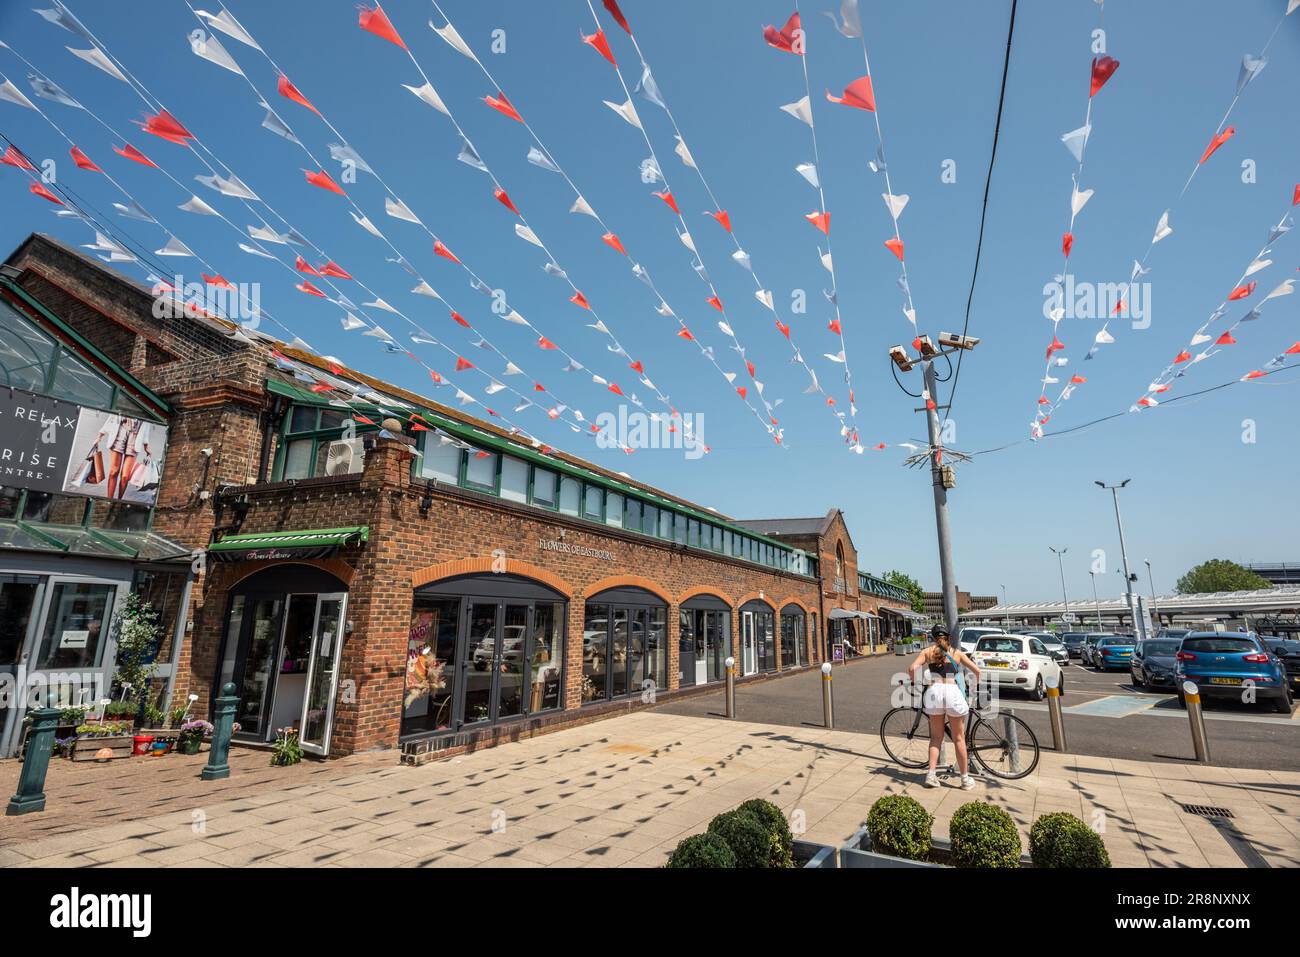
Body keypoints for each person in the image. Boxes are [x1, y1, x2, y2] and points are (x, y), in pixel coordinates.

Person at [908, 625, 981, 790]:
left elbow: (912, 668)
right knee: (959, 739)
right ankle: (965, 780)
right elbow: (977, 671)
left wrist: (916, 683)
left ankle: (931, 775)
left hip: (934, 692)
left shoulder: (927, 652)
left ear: (933, 637)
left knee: (936, 738)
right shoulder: (956, 653)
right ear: (948, 637)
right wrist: (974, 692)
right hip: (952, 692)